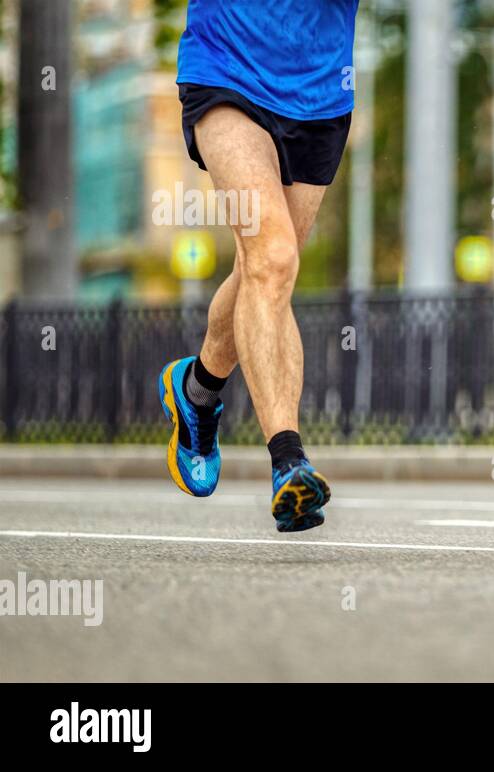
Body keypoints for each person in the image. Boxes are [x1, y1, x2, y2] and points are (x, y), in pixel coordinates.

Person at [158, 0, 359, 532]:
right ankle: (288, 462)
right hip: (227, 72)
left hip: (319, 97)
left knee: (268, 269)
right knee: (271, 257)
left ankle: (197, 390)